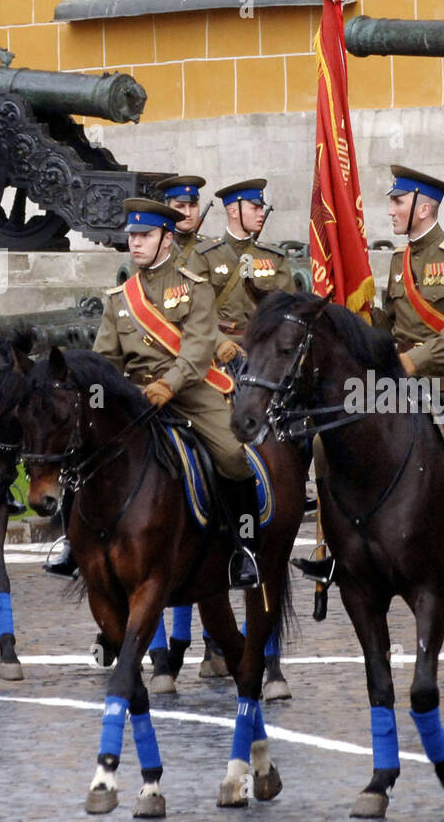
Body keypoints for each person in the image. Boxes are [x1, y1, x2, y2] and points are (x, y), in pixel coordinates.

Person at [298, 165, 444, 588]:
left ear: (424, 206)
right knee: (323, 442)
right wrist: (356, 317)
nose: (391, 211)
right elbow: (393, 329)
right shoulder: (400, 261)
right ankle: (334, 552)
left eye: (398, 202)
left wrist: (416, 360)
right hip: (402, 383)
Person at [45, 198, 263, 589]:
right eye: (133, 237)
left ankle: (243, 547)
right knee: (79, 445)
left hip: (190, 391)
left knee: (232, 455)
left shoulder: (195, 289)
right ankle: (70, 542)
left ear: (166, 239)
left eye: (145, 236)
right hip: (133, 396)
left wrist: (169, 385)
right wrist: (97, 398)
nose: (136, 244)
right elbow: (105, 360)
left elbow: (197, 353)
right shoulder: (119, 298)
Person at [185, 178, 296, 367]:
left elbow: (290, 308)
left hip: (264, 351)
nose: (261, 214)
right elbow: (193, 314)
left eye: (261, 208)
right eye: (255, 208)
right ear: (233, 211)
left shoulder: (273, 256)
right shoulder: (205, 256)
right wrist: (220, 343)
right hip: (219, 350)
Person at [157, 174, 213, 259]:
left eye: (193, 205)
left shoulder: (211, 247)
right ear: (168, 209)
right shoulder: (155, 247)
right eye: (180, 206)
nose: (188, 213)